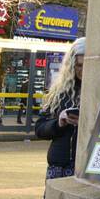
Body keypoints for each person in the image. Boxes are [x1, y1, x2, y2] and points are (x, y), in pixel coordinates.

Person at [34, 37, 83, 180]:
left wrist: (85, 125)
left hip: (85, 164)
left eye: (87, 65)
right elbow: (39, 128)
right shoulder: (59, 93)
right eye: (79, 65)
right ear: (71, 66)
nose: (83, 70)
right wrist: (58, 123)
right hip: (59, 164)